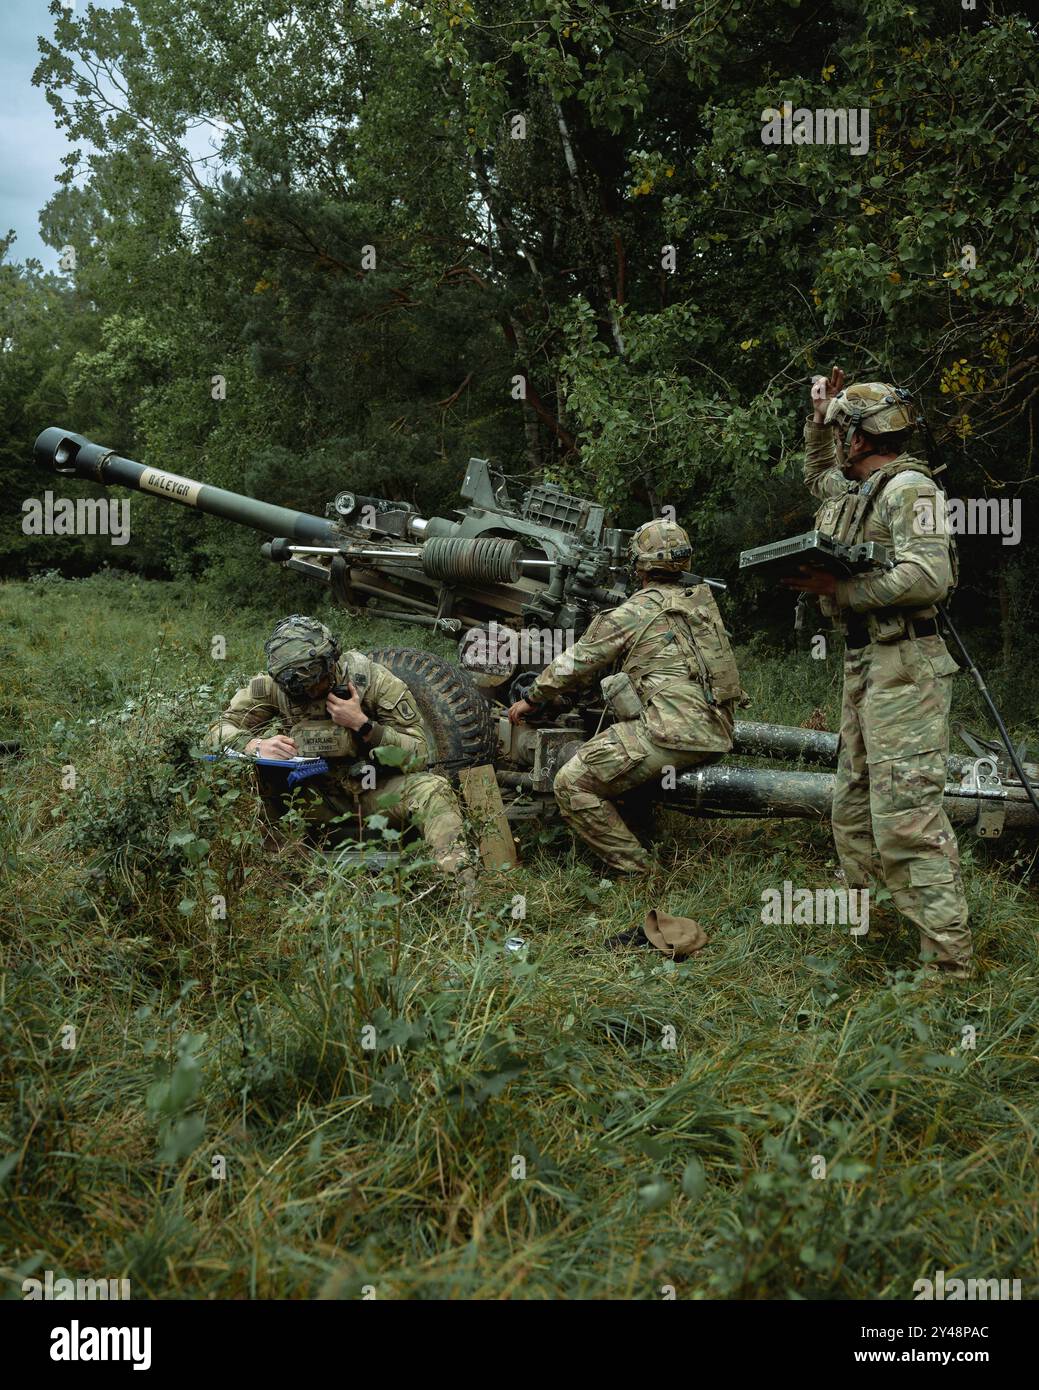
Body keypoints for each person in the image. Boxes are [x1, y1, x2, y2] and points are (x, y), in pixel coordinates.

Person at [780, 368, 971, 979]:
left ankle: (947, 966)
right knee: (854, 803)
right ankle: (877, 928)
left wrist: (845, 589)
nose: (837, 442)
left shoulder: (909, 488)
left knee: (908, 815)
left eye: (841, 431)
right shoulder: (862, 485)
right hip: (866, 661)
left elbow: (929, 577)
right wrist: (817, 416)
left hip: (906, 664)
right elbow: (817, 478)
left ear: (859, 438)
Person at [507, 520, 745, 874]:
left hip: (672, 732)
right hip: (716, 724)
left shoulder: (634, 611)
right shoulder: (699, 604)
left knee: (572, 783)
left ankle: (642, 873)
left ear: (640, 566)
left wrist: (533, 697)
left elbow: (577, 662)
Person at [206, 614, 472, 880]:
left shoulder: (373, 681)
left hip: (375, 791)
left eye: (316, 683)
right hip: (313, 797)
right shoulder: (272, 687)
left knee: (433, 789)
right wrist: (255, 744)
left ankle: (459, 887)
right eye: (300, 690)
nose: (310, 694)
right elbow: (217, 730)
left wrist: (364, 725)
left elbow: (419, 754)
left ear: (330, 663)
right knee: (254, 779)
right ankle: (286, 877)